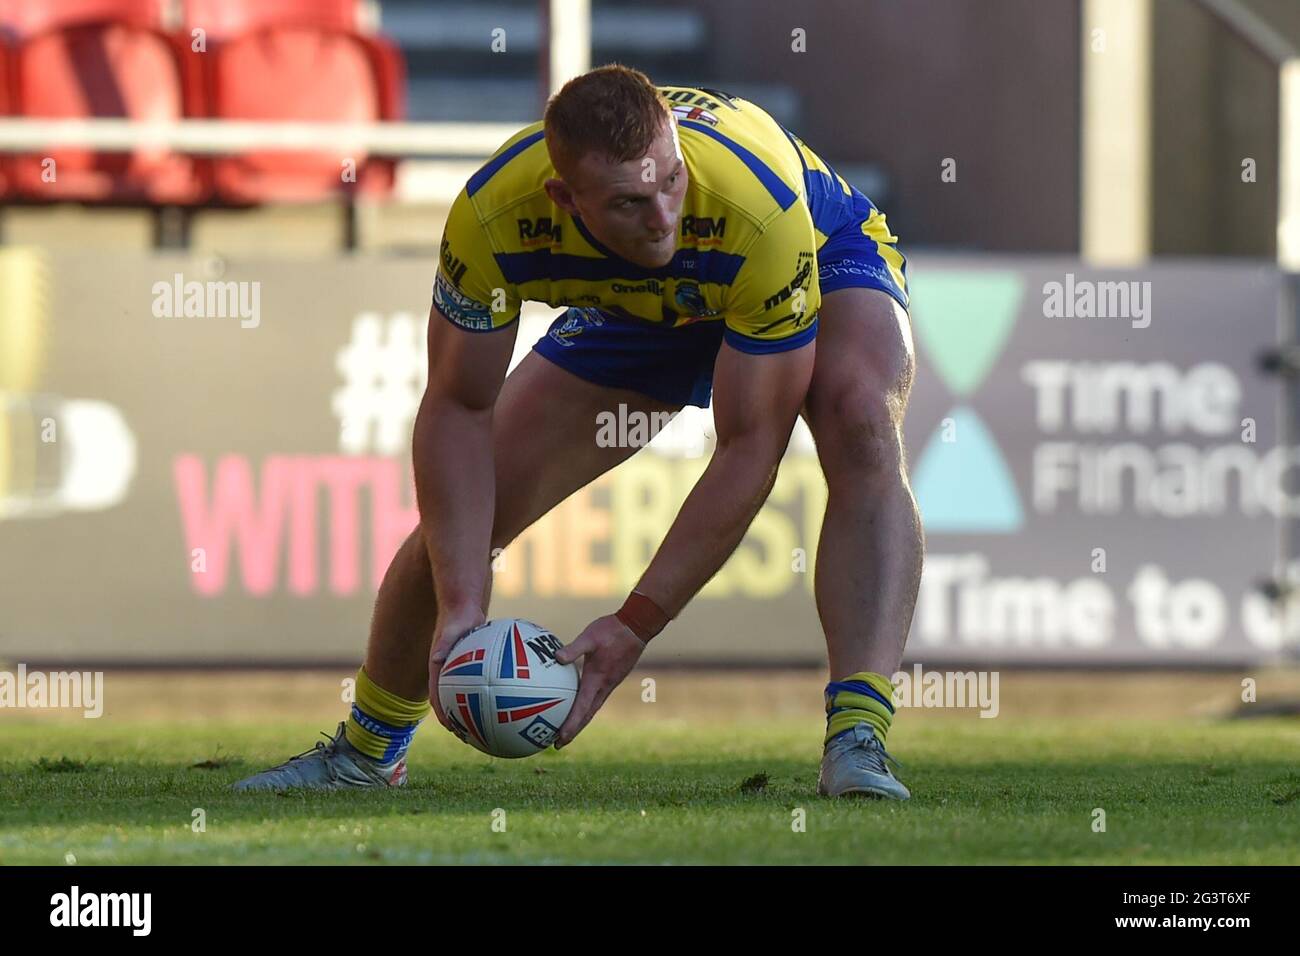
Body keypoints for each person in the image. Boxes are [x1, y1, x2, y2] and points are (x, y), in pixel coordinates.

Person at [235, 64, 922, 799]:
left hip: (811, 254)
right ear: (565, 200)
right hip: (638, 306)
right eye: (629, 201)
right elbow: (458, 408)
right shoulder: (494, 215)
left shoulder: (756, 209)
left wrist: (634, 624)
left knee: (859, 421)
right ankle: (367, 755)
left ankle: (856, 739)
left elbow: (752, 443)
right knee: (463, 524)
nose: (662, 218)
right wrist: (463, 601)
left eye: (670, 183)